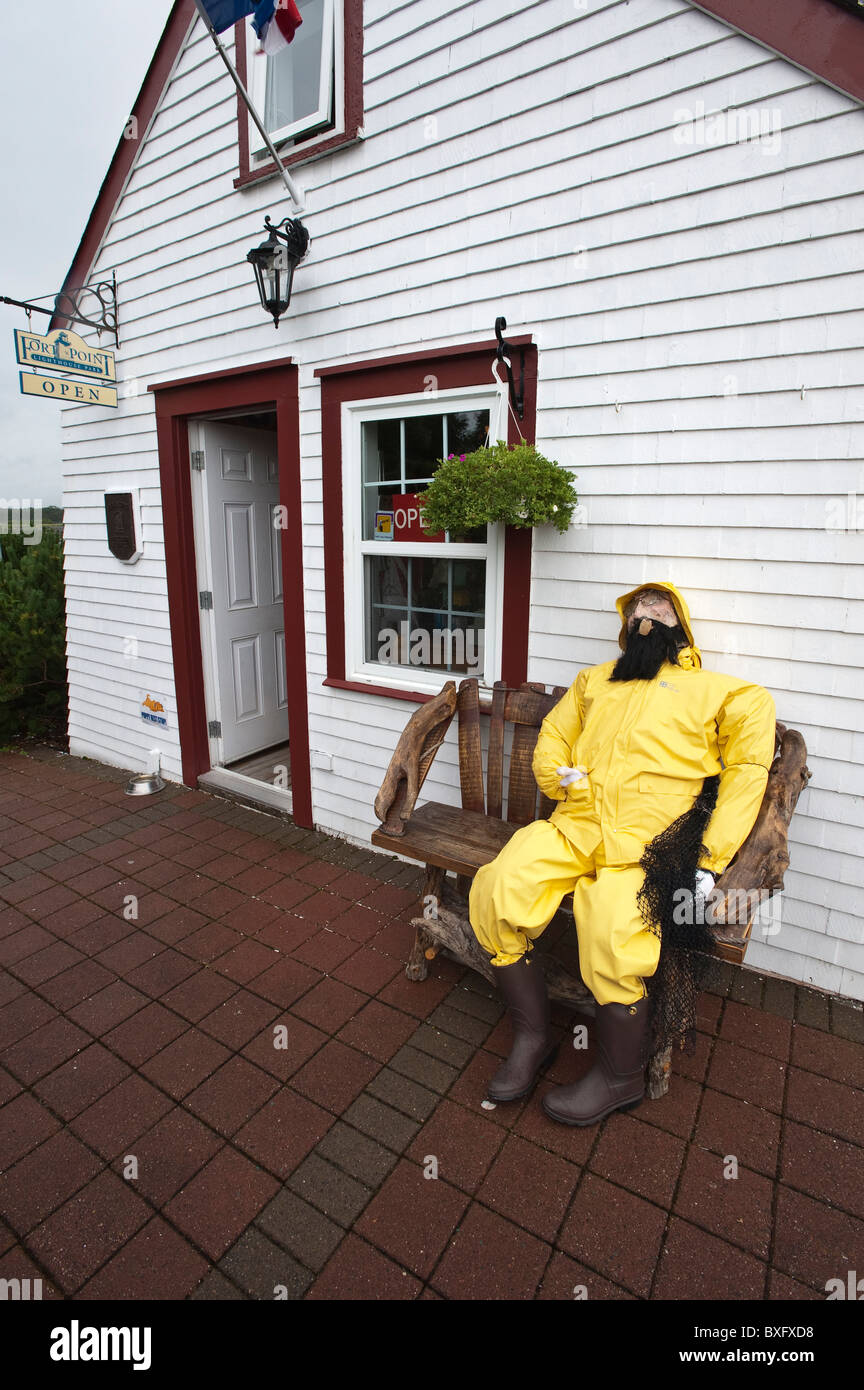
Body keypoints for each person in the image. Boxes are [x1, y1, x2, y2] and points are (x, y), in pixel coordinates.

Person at [468, 582, 776, 1126]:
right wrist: (556, 777)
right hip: (575, 824)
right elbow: (554, 736)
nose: (645, 617)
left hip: (645, 846)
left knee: (613, 931)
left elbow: (747, 772)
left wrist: (709, 860)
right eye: (636, 610)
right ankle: (533, 1037)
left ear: (680, 623)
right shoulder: (594, 681)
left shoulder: (723, 693)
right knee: (498, 889)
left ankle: (620, 1077)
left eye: (658, 610)